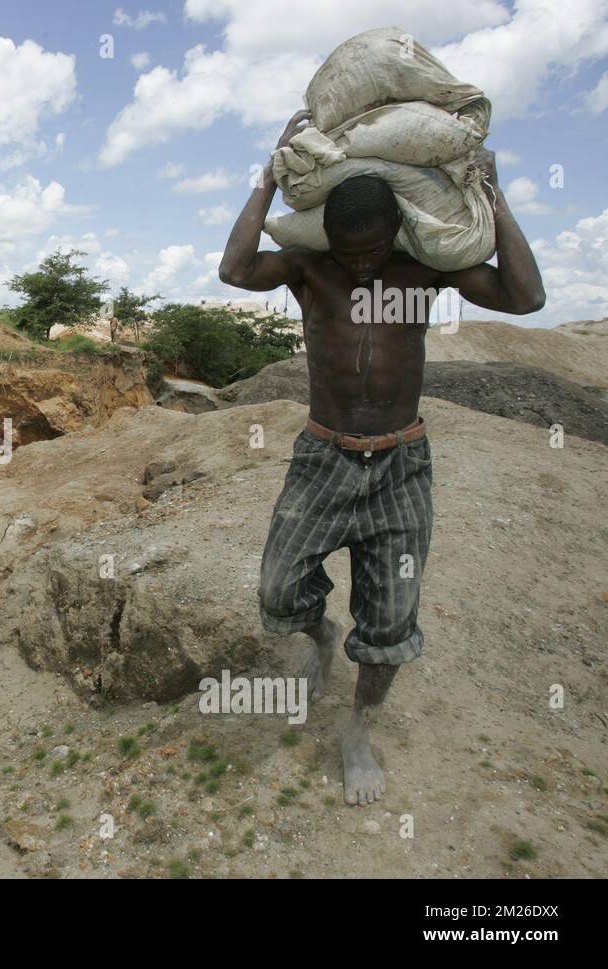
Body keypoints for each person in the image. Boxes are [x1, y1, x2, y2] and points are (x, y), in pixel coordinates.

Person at [218, 110, 545, 808]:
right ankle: (320, 632)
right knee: (279, 587)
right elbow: (235, 267)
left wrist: (498, 198)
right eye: (349, 253)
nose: (361, 265)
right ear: (329, 241)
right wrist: (267, 179)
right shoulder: (310, 268)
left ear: (392, 233)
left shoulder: (420, 268)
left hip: (401, 465)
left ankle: (357, 726)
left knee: (391, 617)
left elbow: (527, 296)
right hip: (323, 457)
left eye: (370, 252)